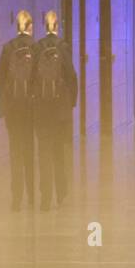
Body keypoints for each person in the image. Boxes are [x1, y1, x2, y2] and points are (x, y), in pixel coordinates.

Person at [32, 11, 78, 210]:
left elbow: (32, 78)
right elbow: (72, 77)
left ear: (44, 26)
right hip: (60, 111)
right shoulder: (63, 47)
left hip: (42, 109)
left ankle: (45, 198)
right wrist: (71, 103)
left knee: (44, 152)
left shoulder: (37, 47)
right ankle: (61, 192)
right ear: (57, 26)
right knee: (59, 151)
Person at [0, 10, 36, 211]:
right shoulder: (36, 48)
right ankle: (31, 195)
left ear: (16, 27)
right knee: (29, 150)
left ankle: (16, 198)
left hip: (13, 109)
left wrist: (0, 110)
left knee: (15, 152)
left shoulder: (8, 48)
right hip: (31, 109)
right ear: (30, 27)